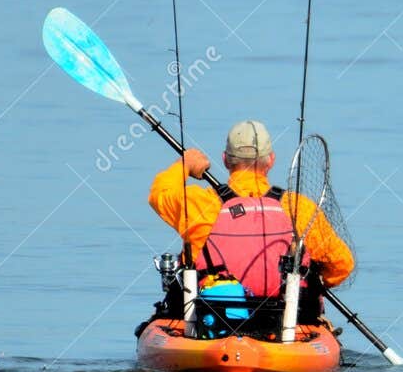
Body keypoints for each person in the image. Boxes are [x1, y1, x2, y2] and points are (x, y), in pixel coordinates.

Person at [148, 120, 354, 300]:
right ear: (271, 160)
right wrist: (311, 282)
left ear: (225, 160)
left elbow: (160, 194)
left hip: (212, 314)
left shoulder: (200, 203)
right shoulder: (300, 208)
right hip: (284, 316)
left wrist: (185, 164)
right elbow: (342, 265)